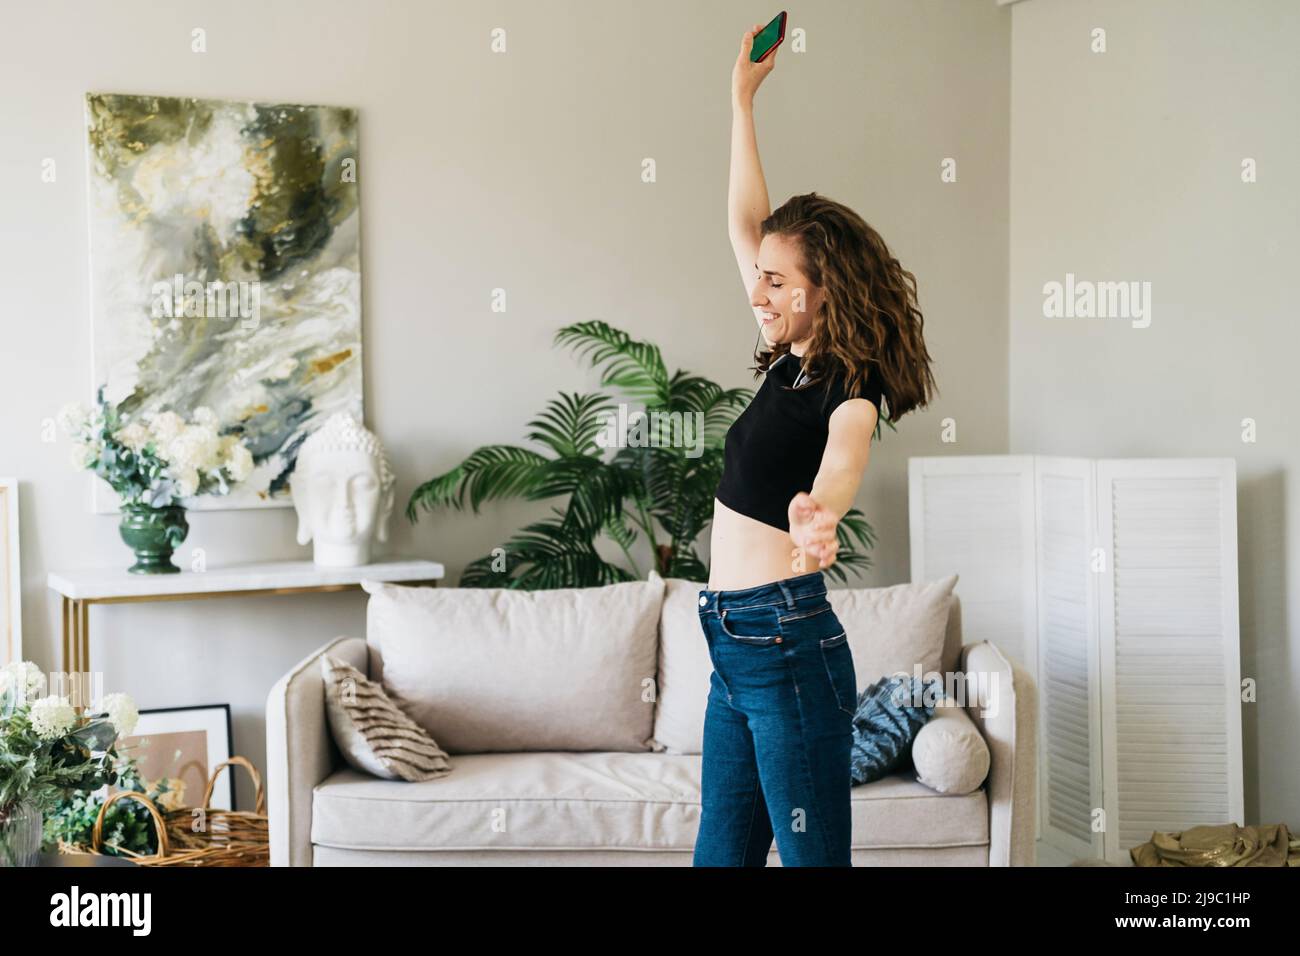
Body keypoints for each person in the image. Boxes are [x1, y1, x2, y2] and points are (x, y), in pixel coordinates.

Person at [693, 23, 937, 867]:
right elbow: (743, 219)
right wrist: (741, 101)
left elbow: (843, 461)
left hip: (785, 645)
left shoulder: (850, 388)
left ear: (820, 291)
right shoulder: (790, 359)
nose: (756, 291)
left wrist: (821, 517)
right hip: (731, 645)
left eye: (775, 281)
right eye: (757, 274)